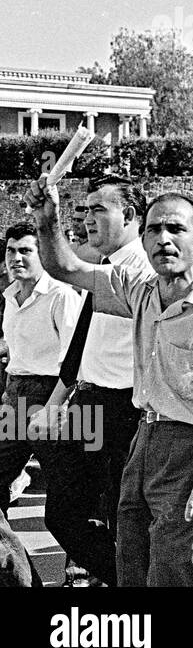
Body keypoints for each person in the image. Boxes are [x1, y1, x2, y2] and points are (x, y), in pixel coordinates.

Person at [28, 180, 193, 587]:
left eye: (175, 229)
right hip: (145, 438)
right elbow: (64, 268)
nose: (163, 239)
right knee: (133, 562)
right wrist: (46, 219)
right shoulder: (141, 290)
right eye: (154, 230)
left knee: (183, 566)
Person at [26, 176, 150, 587]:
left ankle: (129, 580)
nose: (88, 219)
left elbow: (61, 265)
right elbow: (82, 343)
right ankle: (119, 575)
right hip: (88, 406)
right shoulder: (107, 268)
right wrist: (56, 403)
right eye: (86, 210)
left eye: (100, 210)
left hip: (126, 411)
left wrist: (49, 223)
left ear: (130, 216)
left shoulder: (144, 272)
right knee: (64, 514)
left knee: (121, 515)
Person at [0, 222, 83, 520]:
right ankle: (14, 566)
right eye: (11, 251)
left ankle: (82, 564)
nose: (16, 258)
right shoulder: (10, 296)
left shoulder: (61, 296)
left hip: (50, 397)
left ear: (43, 255)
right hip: (14, 395)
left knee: (67, 499)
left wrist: (55, 407)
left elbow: (76, 361)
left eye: (25, 251)